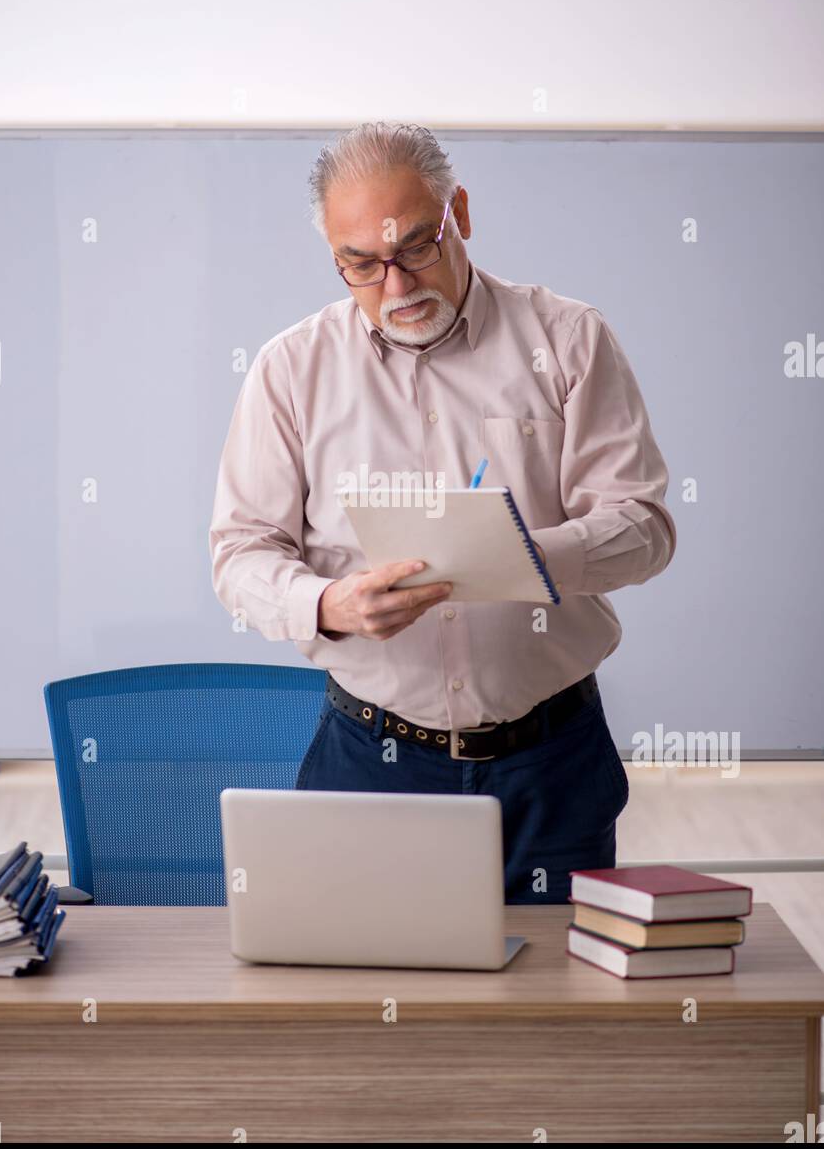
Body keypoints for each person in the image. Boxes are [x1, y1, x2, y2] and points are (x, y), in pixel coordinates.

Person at [209, 121, 677, 903]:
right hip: (368, 759)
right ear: (335, 255)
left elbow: (643, 531)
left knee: (554, 1015)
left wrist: (518, 557)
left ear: (458, 211)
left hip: (551, 762)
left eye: (416, 248)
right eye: (361, 264)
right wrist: (327, 604)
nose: (395, 286)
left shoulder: (566, 340)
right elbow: (240, 553)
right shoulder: (291, 370)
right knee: (364, 1013)